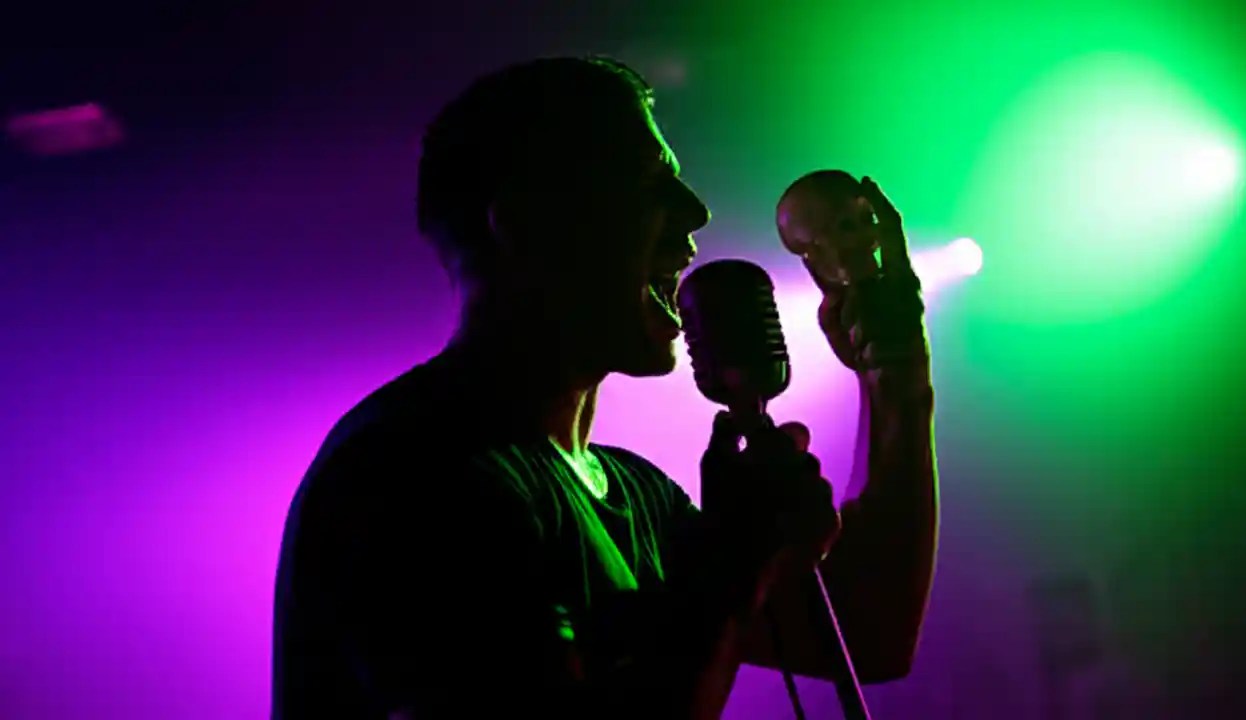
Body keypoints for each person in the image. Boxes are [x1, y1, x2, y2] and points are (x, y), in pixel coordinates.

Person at [271, 56, 938, 719]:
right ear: (528, 223)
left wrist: (896, 380)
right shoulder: (411, 476)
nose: (696, 213)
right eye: (650, 183)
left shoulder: (635, 496)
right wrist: (732, 571)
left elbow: (871, 631)